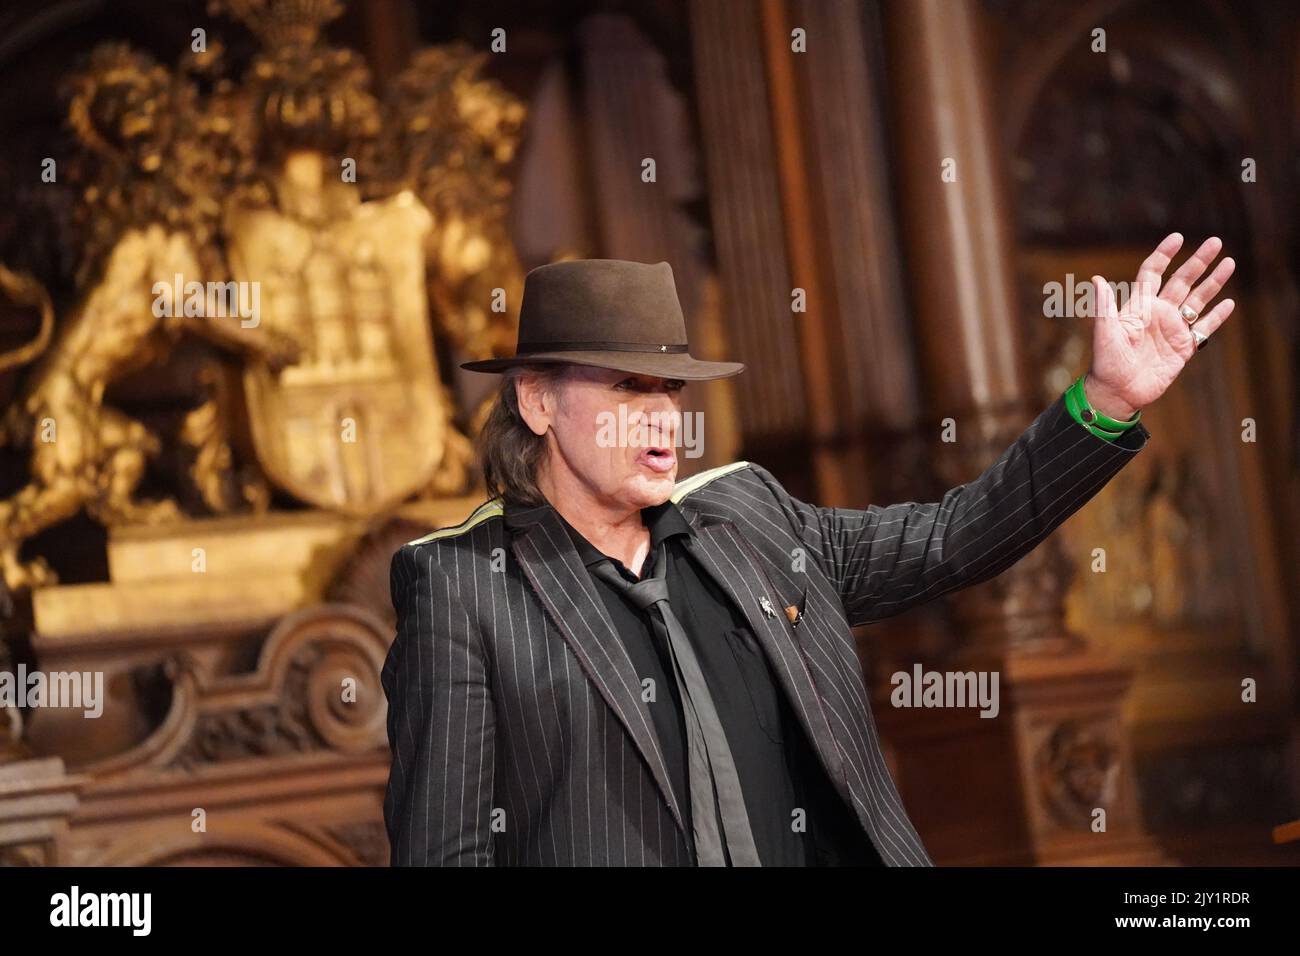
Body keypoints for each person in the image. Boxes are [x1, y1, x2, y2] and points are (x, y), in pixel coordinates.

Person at [382, 237, 1235, 865]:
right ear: (536, 401)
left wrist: (1107, 400)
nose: (662, 417)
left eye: (671, 389)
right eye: (626, 387)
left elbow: (957, 536)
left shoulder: (752, 520)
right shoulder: (462, 584)